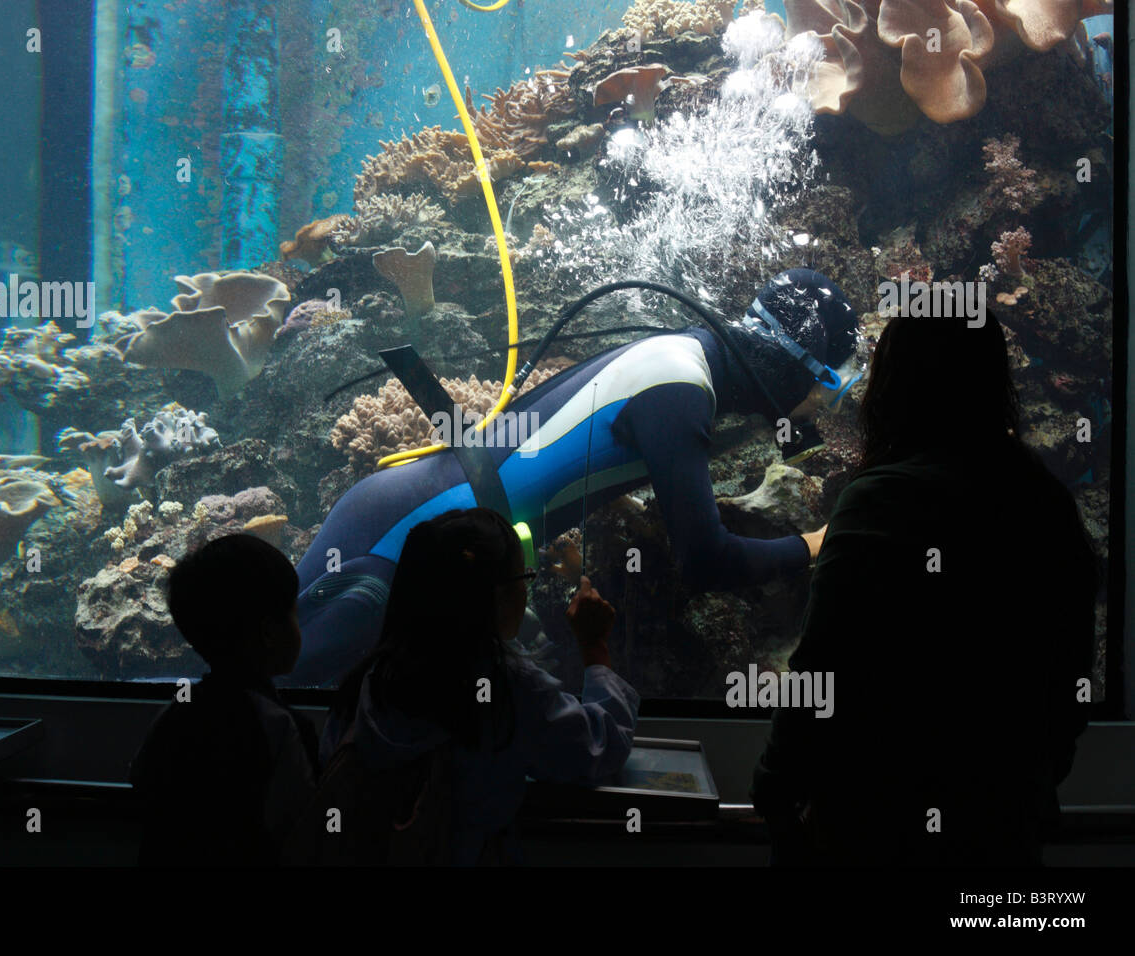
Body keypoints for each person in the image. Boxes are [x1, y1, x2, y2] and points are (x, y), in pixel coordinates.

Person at [288, 269, 861, 685]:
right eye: (830, 388)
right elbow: (705, 560)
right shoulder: (681, 392)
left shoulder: (680, 358)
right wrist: (813, 544)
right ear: (795, 365)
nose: (819, 408)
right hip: (395, 540)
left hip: (406, 522)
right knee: (260, 687)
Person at [751, 311, 1097, 866]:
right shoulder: (1043, 501)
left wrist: (774, 785)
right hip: (999, 825)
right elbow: (1073, 665)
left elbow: (822, 668)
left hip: (874, 822)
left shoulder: (880, 499)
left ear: (892, 390)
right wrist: (1033, 779)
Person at [317, 508, 639, 865]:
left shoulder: (366, 683)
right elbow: (599, 748)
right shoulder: (509, 691)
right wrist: (594, 646)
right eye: (524, 577)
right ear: (499, 596)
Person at [129, 534, 318, 866]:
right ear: (269, 634)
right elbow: (301, 828)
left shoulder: (175, 714)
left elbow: (143, 786)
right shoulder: (280, 726)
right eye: (294, 613)